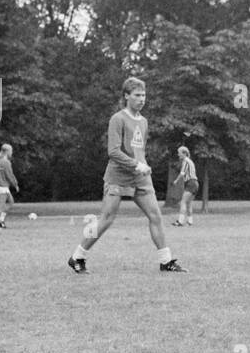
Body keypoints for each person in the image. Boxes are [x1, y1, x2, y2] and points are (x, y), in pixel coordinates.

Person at [67, 76, 186, 274]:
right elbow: (113, 151)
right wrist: (136, 165)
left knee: (155, 215)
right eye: (137, 95)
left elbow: (140, 150)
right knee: (106, 218)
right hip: (118, 176)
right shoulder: (118, 119)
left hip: (140, 177)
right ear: (126, 96)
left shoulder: (144, 122)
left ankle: (166, 261)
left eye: (144, 95)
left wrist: (144, 165)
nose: (142, 99)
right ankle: (77, 256)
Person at [169, 146, 198, 227]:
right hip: (195, 183)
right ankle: (190, 222)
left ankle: (180, 222)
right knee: (188, 203)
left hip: (191, 183)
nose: (178, 155)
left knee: (183, 202)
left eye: (179, 153)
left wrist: (175, 181)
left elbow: (182, 173)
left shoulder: (185, 161)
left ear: (184, 153)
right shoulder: (190, 161)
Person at [0, 144, 19, 229]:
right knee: (1, 205)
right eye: (11, 151)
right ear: (7, 151)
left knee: (11, 202)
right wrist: (15, 184)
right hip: (2, 186)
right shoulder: (6, 162)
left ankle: (1, 221)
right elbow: (9, 175)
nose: (12, 152)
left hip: (0, 185)